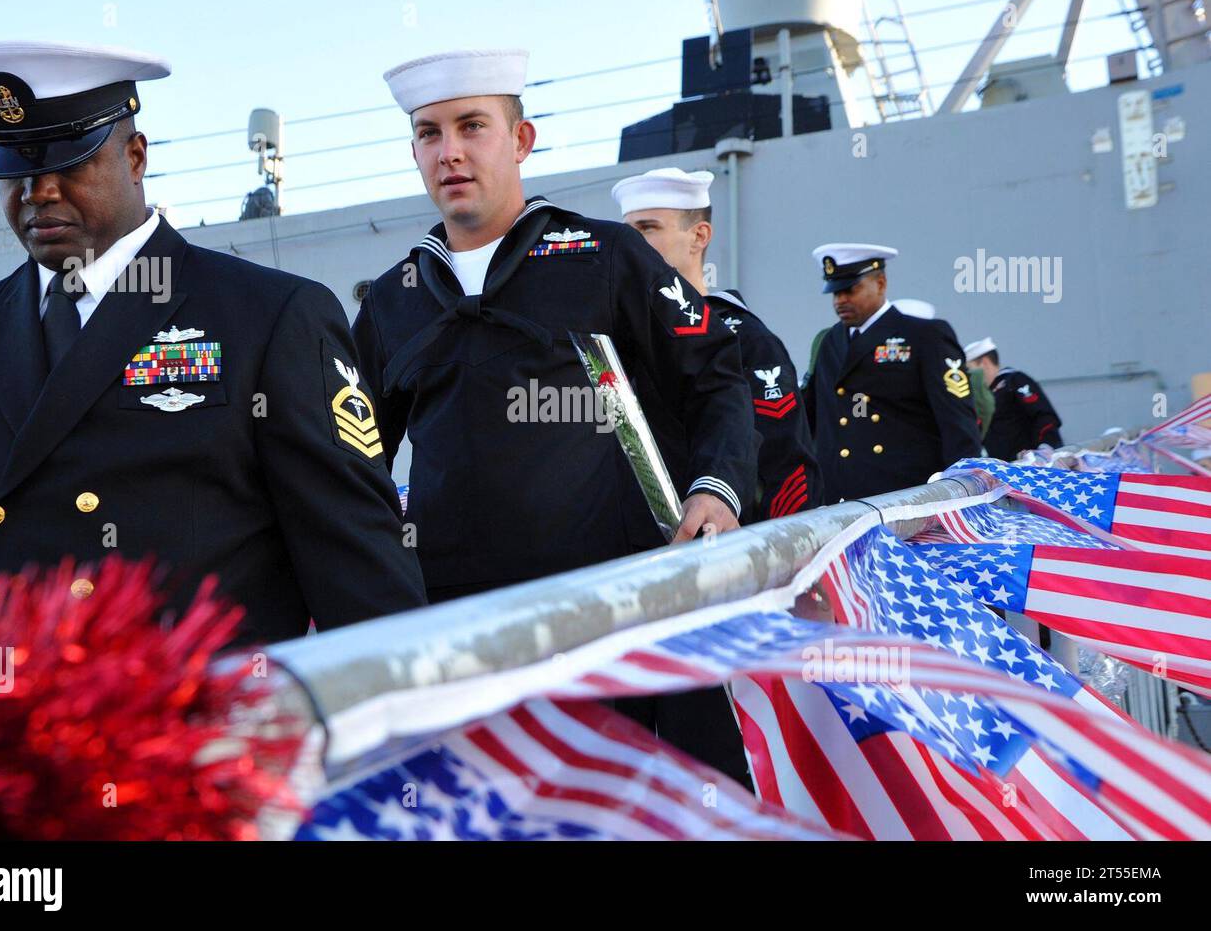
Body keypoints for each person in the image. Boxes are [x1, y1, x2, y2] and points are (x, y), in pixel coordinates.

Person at [0, 41, 425, 642]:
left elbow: (362, 576)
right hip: (14, 725)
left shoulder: (270, 318)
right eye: (15, 169)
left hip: (204, 723)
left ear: (135, 157)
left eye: (67, 163)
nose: (38, 192)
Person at [352, 49, 757, 786]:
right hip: (460, 640)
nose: (451, 152)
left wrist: (715, 488)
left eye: (473, 126)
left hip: (608, 624)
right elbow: (353, 461)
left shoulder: (604, 256)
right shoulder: (393, 298)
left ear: (521, 140)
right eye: (430, 133)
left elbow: (715, 376)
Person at [612, 166, 821, 519]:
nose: (631, 244)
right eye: (627, 232)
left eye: (647, 228)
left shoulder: (746, 338)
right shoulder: (617, 335)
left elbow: (785, 461)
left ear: (699, 236)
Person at [802, 243, 981, 503]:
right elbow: (818, 414)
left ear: (881, 284)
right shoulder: (831, 341)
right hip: (840, 498)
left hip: (905, 495)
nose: (840, 300)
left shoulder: (924, 335)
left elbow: (957, 422)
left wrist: (962, 490)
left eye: (850, 290)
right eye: (835, 293)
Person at [964, 337, 1063, 460]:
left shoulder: (1014, 380)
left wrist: (1045, 447)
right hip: (1004, 468)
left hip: (1031, 466)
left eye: (969, 369)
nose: (968, 377)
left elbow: (1044, 415)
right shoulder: (980, 395)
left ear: (984, 363)